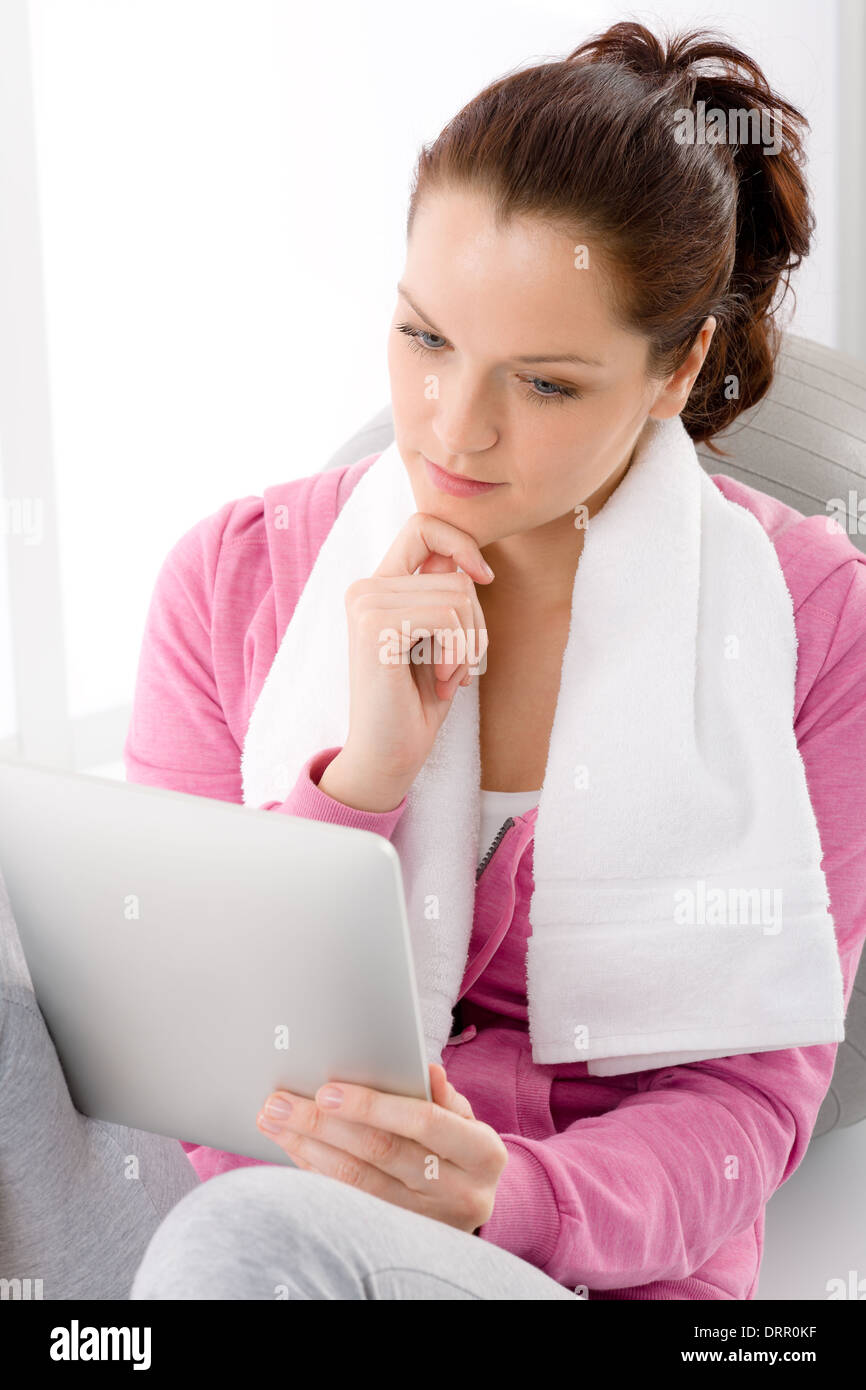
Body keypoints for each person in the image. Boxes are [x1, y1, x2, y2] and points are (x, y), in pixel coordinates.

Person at [121, 21, 866, 1300]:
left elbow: (747, 1105)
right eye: (422, 340)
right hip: (254, 1224)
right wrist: (361, 775)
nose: (450, 430)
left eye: (543, 383)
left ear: (673, 366)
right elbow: (192, 1048)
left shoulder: (808, 620)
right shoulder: (230, 578)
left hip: (583, 1276)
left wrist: (504, 1194)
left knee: (244, 1245)